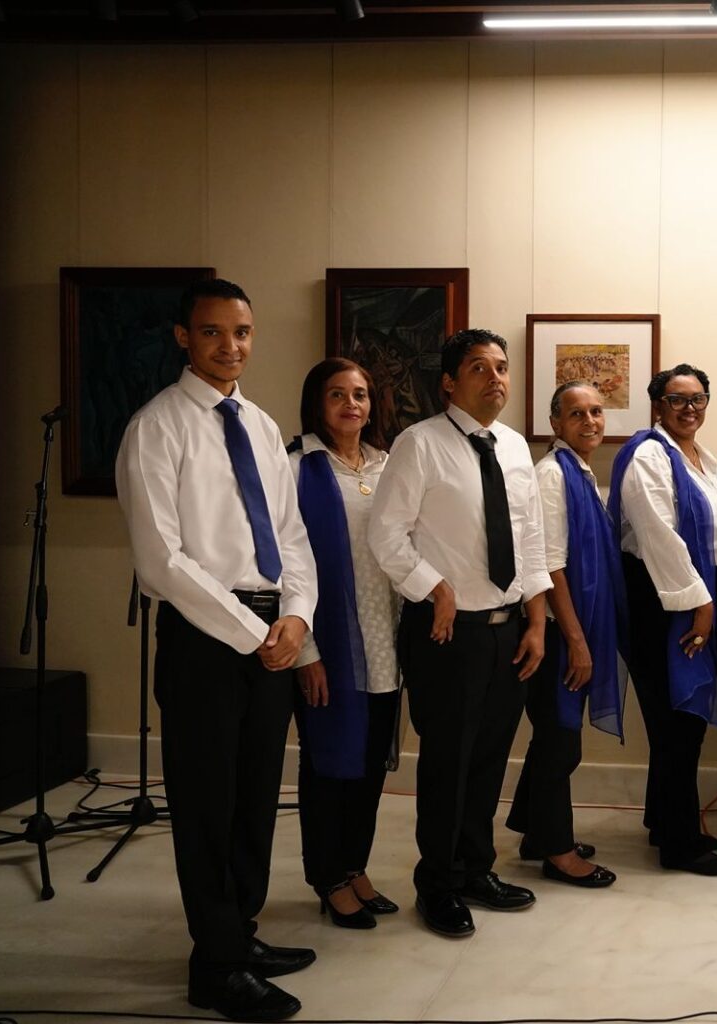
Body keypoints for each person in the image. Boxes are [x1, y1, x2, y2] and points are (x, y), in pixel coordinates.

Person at [117, 278, 317, 1021]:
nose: (229, 346)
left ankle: (242, 933)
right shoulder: (157, 427)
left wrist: (295, 617)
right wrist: (250, 631)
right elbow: (161, 560)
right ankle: (217, 967)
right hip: (206, 640)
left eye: (241, 333)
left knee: (257, 799)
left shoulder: (263, 427)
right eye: (212, 333)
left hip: (273, 634)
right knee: (207, 805)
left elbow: (291, 536)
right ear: (183, 337)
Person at [368, 328, 552, 938]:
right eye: (479, 368)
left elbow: (528, 539)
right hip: (446, 632)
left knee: (491, 757)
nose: (496, 378)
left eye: (501, 367)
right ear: (450, 382)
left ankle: (476, 868)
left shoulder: (515, 446)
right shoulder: (417, 445)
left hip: (507, 632)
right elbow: (386, 535)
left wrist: (537, 618)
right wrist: (434, 587)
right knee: (449, 761)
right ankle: (438, 881)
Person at [610, 363, 717, 876]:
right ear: (657, 405)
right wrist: (701, 604)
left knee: (682, 721)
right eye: (678, 399)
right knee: (677, 723)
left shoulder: (702, 458)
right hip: (667, 603)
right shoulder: (648, 454)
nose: (690, 408)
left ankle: (665, 822)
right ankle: (679, 843)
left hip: (700, 594)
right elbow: (657, 534)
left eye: (698, 399)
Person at [288, 358, 402, 930]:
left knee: (369, 767)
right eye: (338, 394)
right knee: (329, 766)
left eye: (360, 394)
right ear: (317, 402)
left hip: (385, 643)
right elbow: (286, 562)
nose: (351, 404)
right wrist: (305, 653)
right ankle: (328, 877)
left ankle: (355, 866)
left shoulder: (389, 466)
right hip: (328, 642)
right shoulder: (295, 466)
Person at [505, 381, 623, 890]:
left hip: (572, 629)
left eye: (597, 411)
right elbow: (549, 565)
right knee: (560, 742)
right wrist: (576, 641)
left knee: (554, 737)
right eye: (577, 414)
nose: (590, 421)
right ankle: (557, 850)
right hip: (554, 632)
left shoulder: (579, 469)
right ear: (556, 423)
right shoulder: (552, 475)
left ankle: (534, 830)